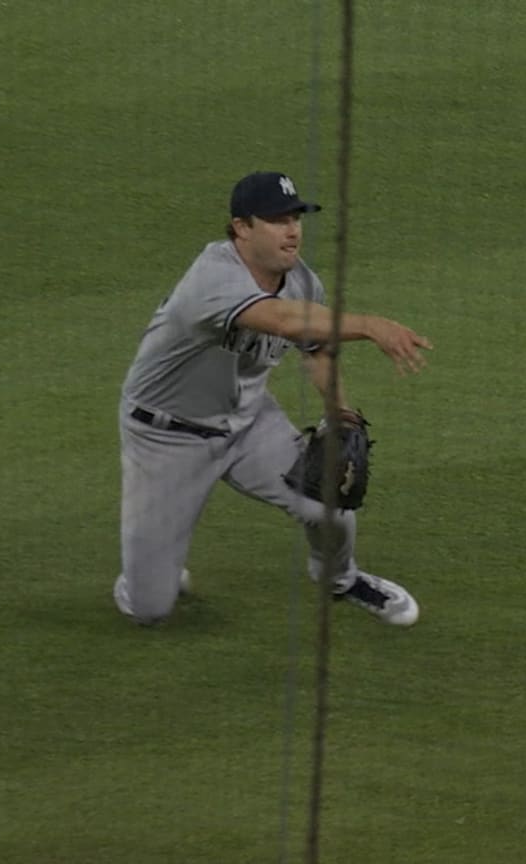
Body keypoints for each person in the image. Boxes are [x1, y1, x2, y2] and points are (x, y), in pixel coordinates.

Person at [114, 171, 432, 627]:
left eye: (296, 218)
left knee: (327, 502)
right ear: (241, 227)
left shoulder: (302, 282)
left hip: (247, 422)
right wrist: (370, 325)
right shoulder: (211, 278)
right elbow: (283, 321)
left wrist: (339, 412)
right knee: (150, 609)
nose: (292, 230)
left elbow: (316, 348)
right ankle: (146, 578)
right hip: (166, 436)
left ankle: (341, 579)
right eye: (277, 220)